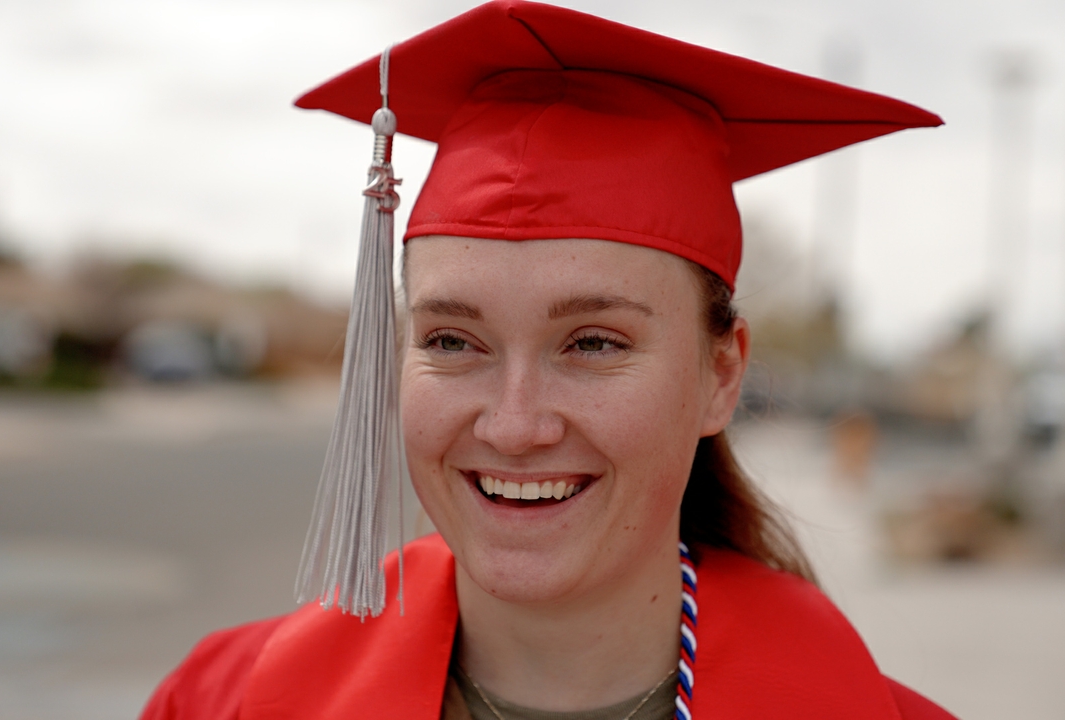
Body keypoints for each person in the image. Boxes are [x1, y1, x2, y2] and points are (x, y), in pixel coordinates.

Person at [141, 2, 955, 719]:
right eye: (453, 342)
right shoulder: (218, 704)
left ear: (722, 376)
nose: (514, 424)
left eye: (594, 343)